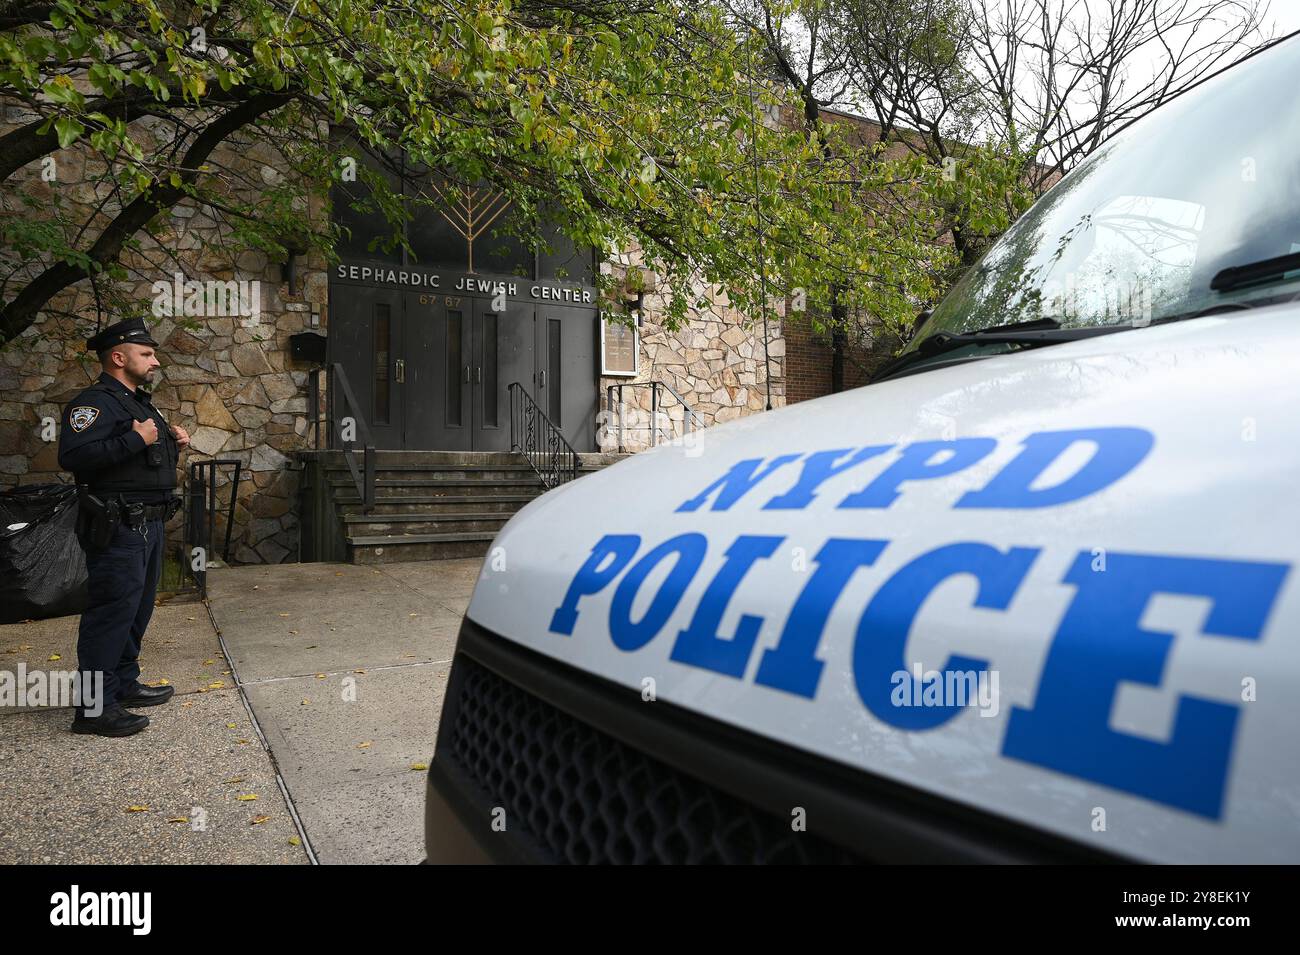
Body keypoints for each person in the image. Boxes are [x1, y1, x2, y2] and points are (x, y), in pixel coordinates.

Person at [58, 317, 191, 737]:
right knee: (111, 613)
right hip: (118, 526)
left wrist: (173, 444)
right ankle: (94, 710)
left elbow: (143, 461)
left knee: (136, 610)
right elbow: (75, 457)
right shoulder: (94, 402)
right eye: (146, 354)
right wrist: (138, 439)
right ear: (118, 357)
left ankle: (123, 684)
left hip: (148, 524)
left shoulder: (140, 403)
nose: (155, 361)